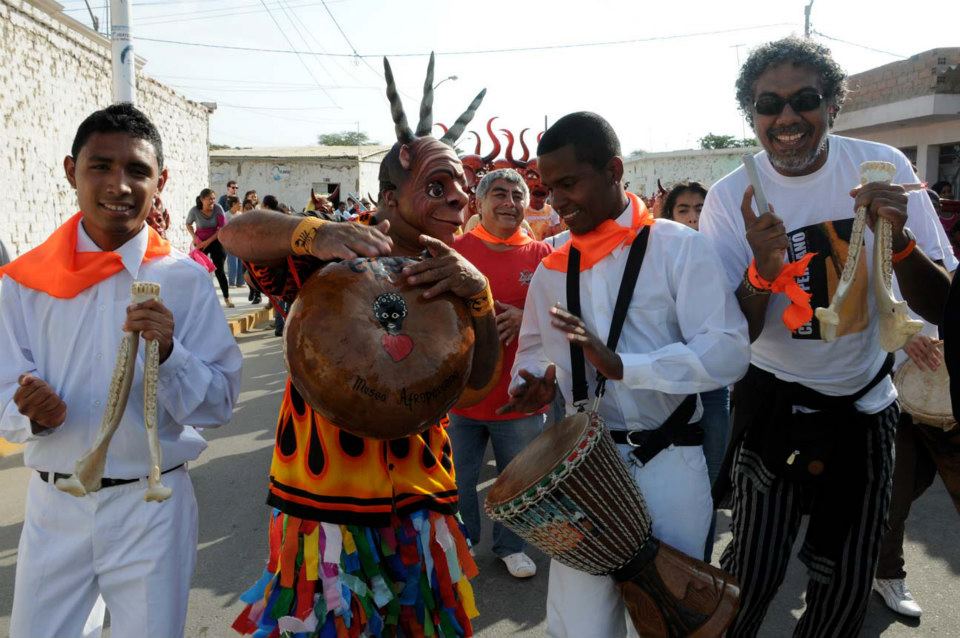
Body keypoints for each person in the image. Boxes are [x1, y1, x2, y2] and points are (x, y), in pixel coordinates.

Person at [221, 56, 496, 636]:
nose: (459, 201)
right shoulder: (332, 252)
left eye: (463, 190)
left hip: (422, 500)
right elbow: (234, 233)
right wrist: (315, 232)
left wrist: (483, 299)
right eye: (439, 187)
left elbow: (478, 381)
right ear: (392, 199)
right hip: (327, 504)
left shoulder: (453, 270)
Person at [699, 37, 952, 636]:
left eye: (805, 99)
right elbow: (730, 337)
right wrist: (761, 273)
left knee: (845, 580)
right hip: (773, 405)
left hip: (867, 408)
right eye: (769, 105)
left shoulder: (883, 166)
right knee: (750, 575)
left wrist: (904, 240)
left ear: (833, 105)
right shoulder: (729, 197)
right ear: (753, 115)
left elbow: (944, 303)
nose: (786, 118)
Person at [503, 111, 750, 638]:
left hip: (670, 462)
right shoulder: (551, 267)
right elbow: (530, 351)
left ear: (614, 169)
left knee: (665, 620)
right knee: (580, 624)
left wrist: (623, 367)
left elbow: (729, 353)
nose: (557, 200)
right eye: (549, 188)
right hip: (582, 473)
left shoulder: (679, 248)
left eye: (569, 183)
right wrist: (530, 383)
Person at [0, 103, 242, 638]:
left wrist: (173, 354)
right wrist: (33, 416)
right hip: (53, 505)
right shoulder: (23, 281)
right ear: (71, 171)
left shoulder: (184, 280)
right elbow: (2, 390)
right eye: (100, 166)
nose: (119, 185)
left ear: (161, 181)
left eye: (137, 170)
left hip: (150, 508)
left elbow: (220, 403)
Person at [449, 168, 552, 579]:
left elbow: (567, 317)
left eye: (517, 194)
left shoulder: (544, 256)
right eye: (499, 194)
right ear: (478, 202)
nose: (509, 202)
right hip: (463, 397)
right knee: (459, 479)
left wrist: (529, 316)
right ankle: (463, 541)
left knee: (517, 480)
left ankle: (511, 546)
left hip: (521, 397)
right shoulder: (455, 252)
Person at [660, 180, 729, 561]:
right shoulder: (655, 254)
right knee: (670, 479)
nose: (692, 217)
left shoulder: (724, 250)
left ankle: (699, 567)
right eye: (683, 209)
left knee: (710, 478)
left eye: (700, 208)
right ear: (670, 214)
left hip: (714, 383)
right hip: (667, 381)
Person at [186, 188, 233, 307]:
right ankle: (199, 299)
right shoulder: (195, 210)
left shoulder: (218, 209)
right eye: (209, 199)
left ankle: (227, 298)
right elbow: (188, 224)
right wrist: (194, 237)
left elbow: (221, 228)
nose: (212, 201)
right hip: (200, 242)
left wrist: (208, 241)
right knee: (199, 270)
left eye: (213, 198)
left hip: (216, 240)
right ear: (202, 200)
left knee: (219, 270)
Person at [223, 195, 246, 288]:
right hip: (231, 242)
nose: (241, 205)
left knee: (241, 262)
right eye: (239, 203)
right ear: (233, 204)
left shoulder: (240, 215)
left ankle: (240, 282)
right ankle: (232, 282)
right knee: (233, 262)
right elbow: (224, 229)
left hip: (241, 242)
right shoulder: (226, 215)